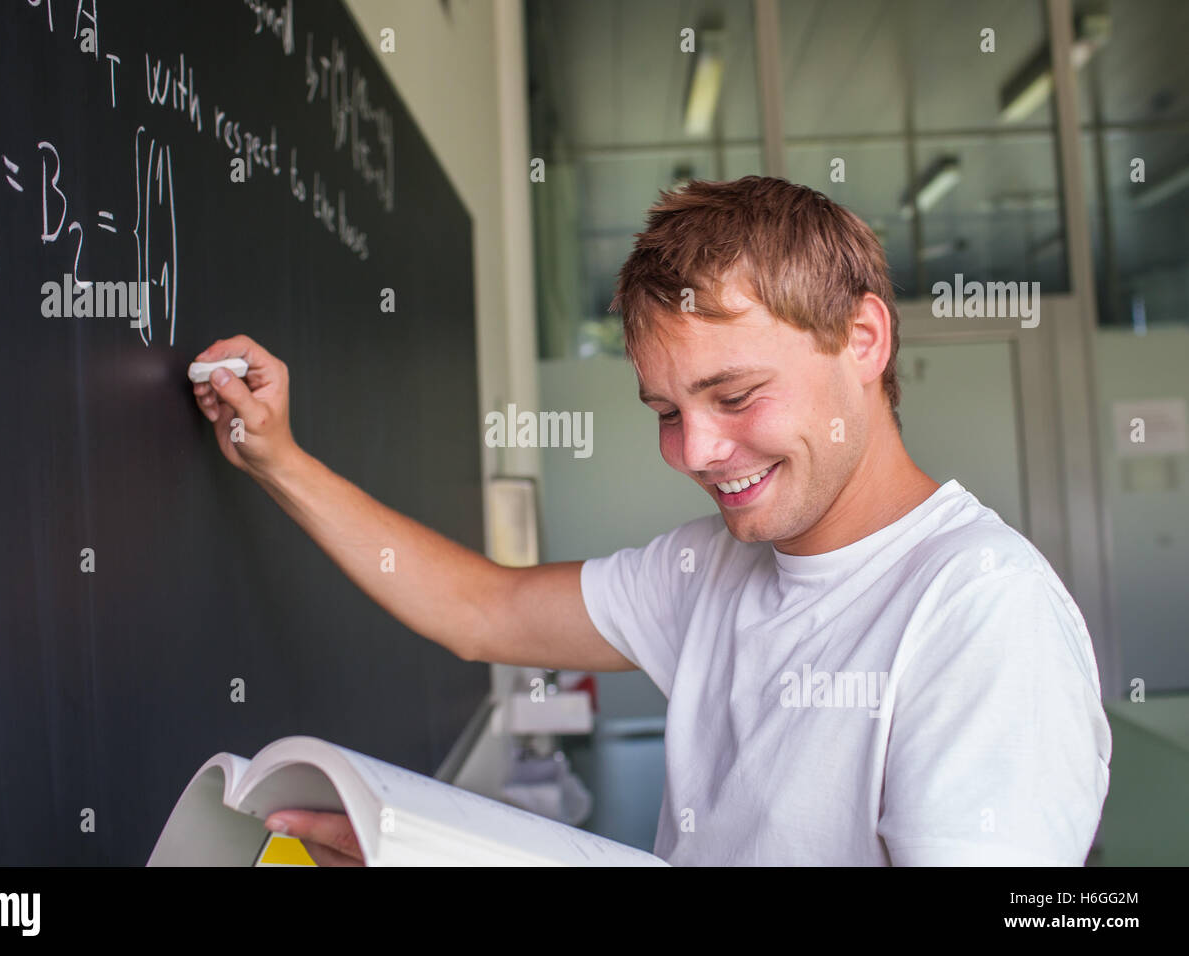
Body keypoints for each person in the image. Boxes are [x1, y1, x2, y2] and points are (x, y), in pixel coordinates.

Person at [191, 176, 1111, 866]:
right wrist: (281, 461)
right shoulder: (710, 568)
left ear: (863, 339)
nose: (696, 452)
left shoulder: (985, 615)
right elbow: (486, 612)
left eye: (735, 394)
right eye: (668, 411)